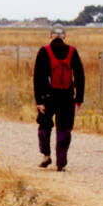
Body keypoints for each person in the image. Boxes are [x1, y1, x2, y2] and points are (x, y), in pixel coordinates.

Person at [33, 24, 84, 171]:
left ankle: (46, 155)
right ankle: (61, 162)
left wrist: (39, 100)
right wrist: (79, 98)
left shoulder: (44, 51)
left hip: (48, 96)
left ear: (51, 35)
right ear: (64, 36)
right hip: (67, 97)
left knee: (44, 126)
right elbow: (80, 75)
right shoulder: (72, 51)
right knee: (64, 129)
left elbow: (38, 77)